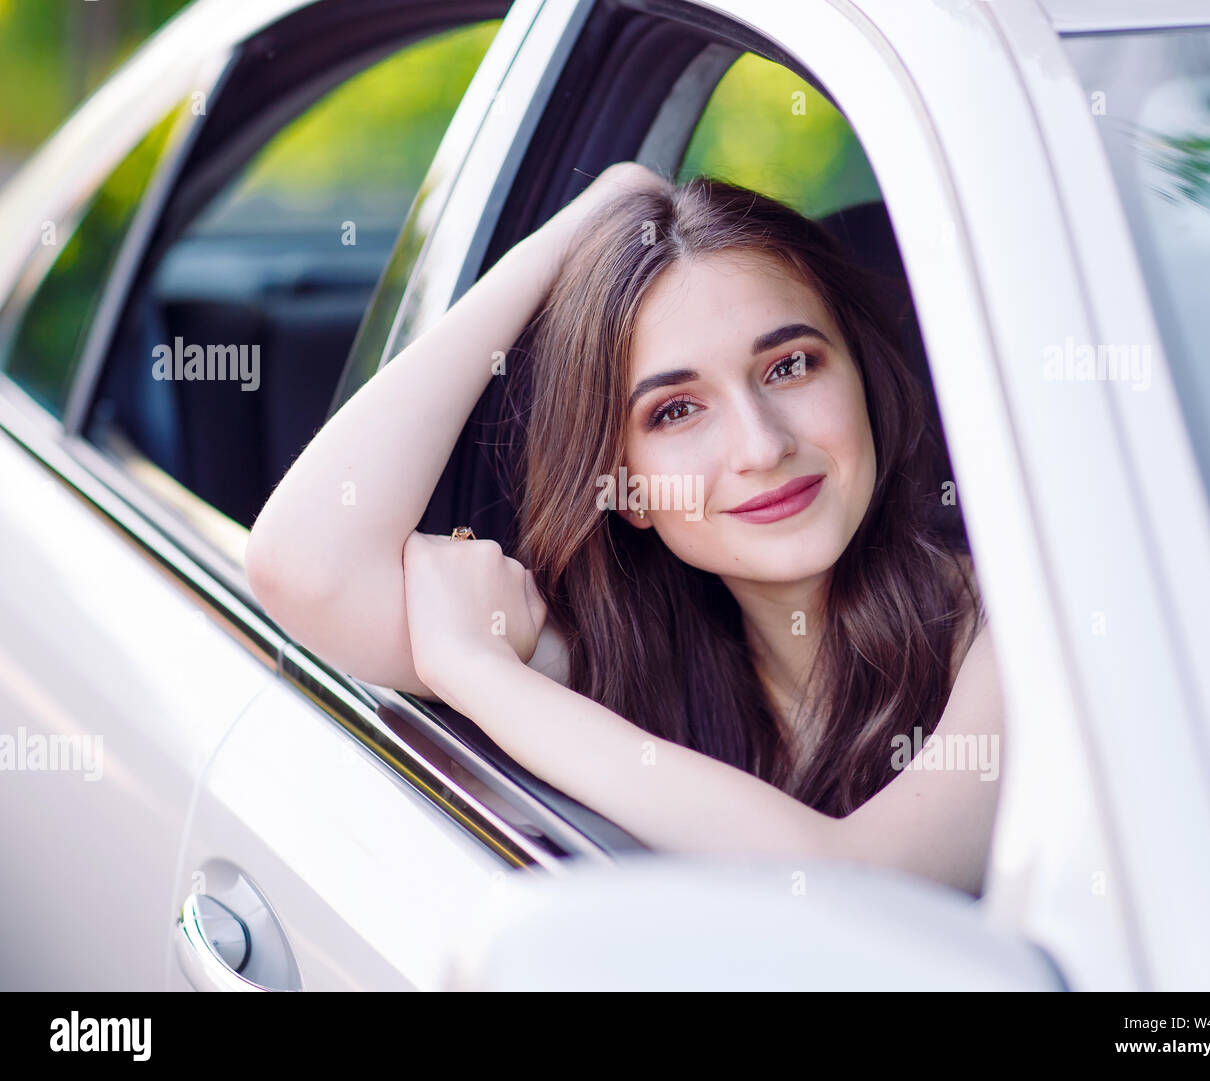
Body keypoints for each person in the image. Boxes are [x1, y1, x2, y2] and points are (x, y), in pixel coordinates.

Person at [246, 161, 1004, 897]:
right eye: (675, 410)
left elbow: (868, 888)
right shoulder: (633, 662)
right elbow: (302, 563)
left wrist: (481, 674)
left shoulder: (1016, 635)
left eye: (790, 366)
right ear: (629, 488)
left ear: (861, 377)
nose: (762, 445)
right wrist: (574, 229)